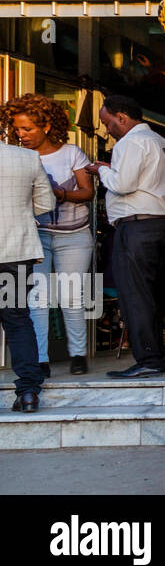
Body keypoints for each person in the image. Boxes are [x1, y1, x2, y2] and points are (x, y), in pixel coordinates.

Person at [0, 94, 96, 376]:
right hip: (36, 236)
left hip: (74, 235)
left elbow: (88, 192)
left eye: (27, 128)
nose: (21, 134)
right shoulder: (18, 157)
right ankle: (40, 357)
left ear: (45, 126)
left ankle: (78, 354)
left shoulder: (71, 153)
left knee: (71, 295)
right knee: (36, 299)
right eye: (17, 129)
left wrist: (60, 194)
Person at [85, 95, 165, 379]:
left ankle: (149, 360)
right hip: (162, 224)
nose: (107, 130)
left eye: (107, 122)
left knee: (135, 295)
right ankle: (153, 356)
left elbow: (122, 184)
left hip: (137, 227)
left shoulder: (131, 143)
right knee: (152, 294)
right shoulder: (163, 142)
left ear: (122, 117)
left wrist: (101, 169)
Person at [0, 141, 57, 411]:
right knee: (17, 319)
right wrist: (21, 214)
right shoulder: (27, 157)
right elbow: (46, 202)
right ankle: (28, 393)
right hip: (16, 250)